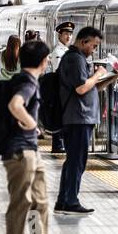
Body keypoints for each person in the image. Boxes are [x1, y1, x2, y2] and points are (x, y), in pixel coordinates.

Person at [0, 39, 69, 234]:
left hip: (31, 150)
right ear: (42, 61)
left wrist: (33, 128)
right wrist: (31, 123)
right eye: (47, 58)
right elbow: (15, 105)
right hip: (20, 152)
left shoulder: (24, 80)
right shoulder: (27, 83)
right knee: (21, 202)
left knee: (39, 201)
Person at [56, 25, 108, 215]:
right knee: (77, 161)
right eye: (93, 46)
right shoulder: (75, 60)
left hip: (80, 117)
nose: (94, 50)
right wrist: (98, 74)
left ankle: (64, 200)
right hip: (77, 118)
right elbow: (81, 88)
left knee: (73, 161)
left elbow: (90, 87)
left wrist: (110, 78)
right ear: (84, 41)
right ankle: (70, 201)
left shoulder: (77, 59)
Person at [48, 21, 74, 153]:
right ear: (59, 35)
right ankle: (58, 145)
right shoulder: (59, 52)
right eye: (65, 34)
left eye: (70, 34)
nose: (68, 37)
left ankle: (59, 144)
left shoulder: (65, 51)